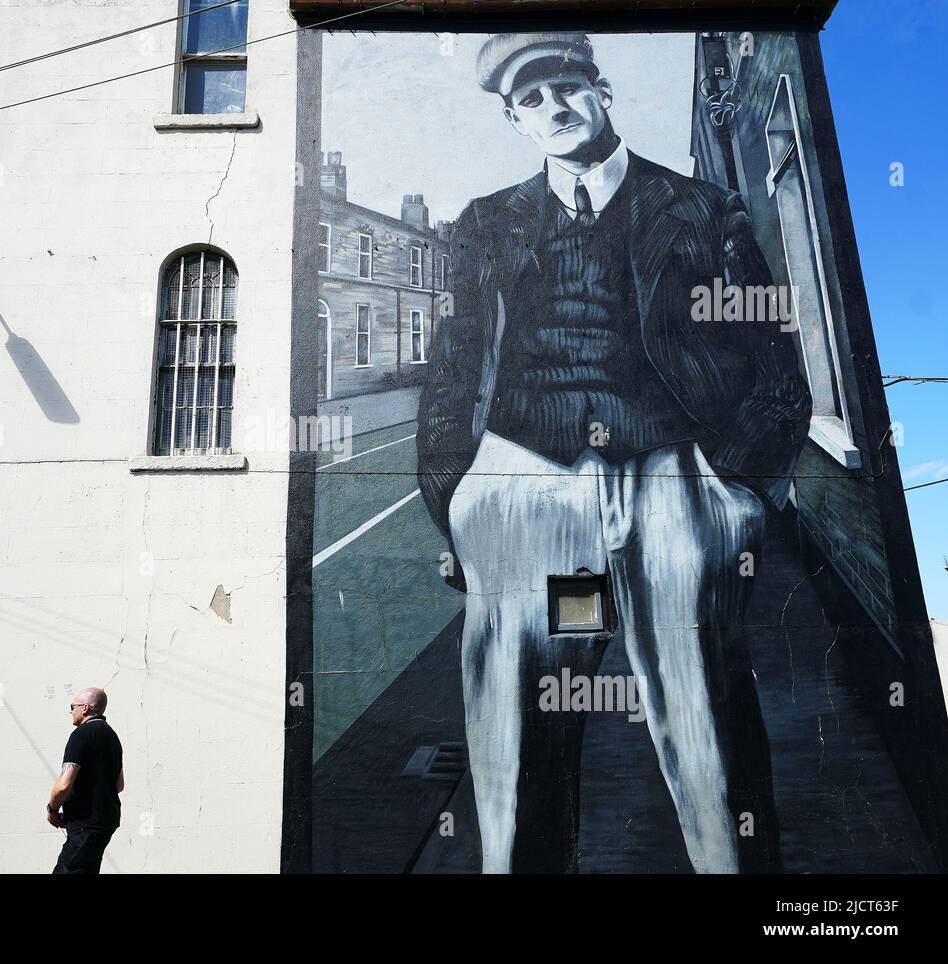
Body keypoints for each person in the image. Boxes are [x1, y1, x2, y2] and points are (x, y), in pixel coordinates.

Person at [416, 32, 811, 873]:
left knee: (704, 717)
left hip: (670, 480)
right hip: (528, 487)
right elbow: (453, 368)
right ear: (514, 120)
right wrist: (455, 508)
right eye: (531, 100)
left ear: (601, 90)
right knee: (519, 728)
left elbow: (775, 359)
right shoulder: (486, 224)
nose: (553, 109)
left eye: (566, 88)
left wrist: (738, 491)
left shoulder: (703, 209)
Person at [48, 687, 124, 873]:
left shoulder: (81, 734)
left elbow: (64, 785)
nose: (70, 711)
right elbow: (119, 785)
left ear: (85, 708)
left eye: (72, 706)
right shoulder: (112, 737)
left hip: (85, 825)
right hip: (105, 821)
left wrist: (52, 809)